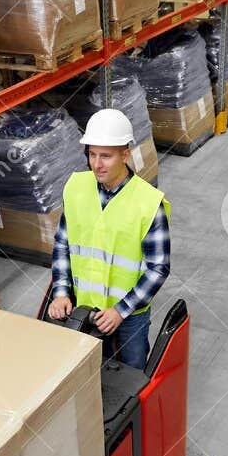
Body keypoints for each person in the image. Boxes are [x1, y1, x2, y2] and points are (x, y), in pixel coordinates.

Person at [47, 107, 171, 371]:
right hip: (83, 307)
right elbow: (62, 244)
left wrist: (121, 310)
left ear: (125, 154)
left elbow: (158, 268)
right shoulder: (76, 188)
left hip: (129, 316)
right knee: (87, 373)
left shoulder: (148, 203)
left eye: (106, 156)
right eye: (92, 154)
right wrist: (60, 293)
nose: (96, 164)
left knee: (131, 374)